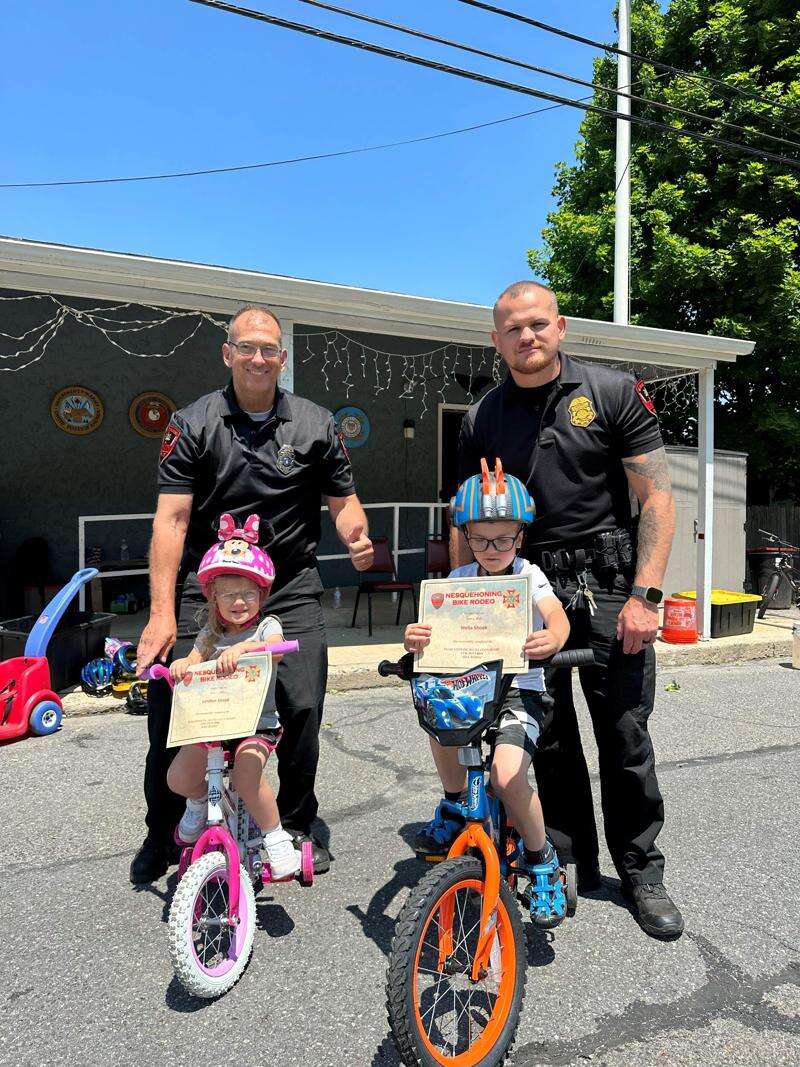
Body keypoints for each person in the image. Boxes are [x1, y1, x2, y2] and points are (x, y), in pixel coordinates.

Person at [451, 279, 683, 941]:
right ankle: (565, 852)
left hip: (609, 582)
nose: (526, 337)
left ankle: (641, 869)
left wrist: (646, 595)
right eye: (512, 328)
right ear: (496, 339)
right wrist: (462, 604)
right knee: (542, 734)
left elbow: (658, 498)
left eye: (537, 324)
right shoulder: (481, 418)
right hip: (524, 583)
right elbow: (463, 521)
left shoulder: (612, 392)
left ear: (560, 327)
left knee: (625, 733)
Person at [132, 304, 373, 884]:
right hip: (208, 586)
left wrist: (356, 535)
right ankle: (163, 830)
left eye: (269, 348)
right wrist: (162, 613)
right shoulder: (192, 424)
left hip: (287, 586)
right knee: (177, 710)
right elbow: (171, 519)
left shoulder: (316, 424)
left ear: (282, 359)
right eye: (247, 347)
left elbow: (344, 502)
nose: (259, 357)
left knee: (303, 705)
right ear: (228, 353)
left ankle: (291, 824)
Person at [405, 460, 571, 927]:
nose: (491, 548)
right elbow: (431, 633)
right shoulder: (457, 582)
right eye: (480, 538)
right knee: (437, 721)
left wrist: (554, 637)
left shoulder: (529, 576)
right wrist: (416, 637)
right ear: (466, 536)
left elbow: (556, 616)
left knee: (505, 776)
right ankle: (455, 800)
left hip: (519, 693)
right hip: (469, 688)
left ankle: (542, 859)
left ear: (519, 536)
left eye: (502, 539)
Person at [167, 513, 300, 879]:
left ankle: (275, 839)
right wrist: (183, 666)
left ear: (261, 594)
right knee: (178, 778)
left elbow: (276, 648)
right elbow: (194, 659)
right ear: (213, 596)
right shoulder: (210, 634)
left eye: (247, 593)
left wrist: (245, 650)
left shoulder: (266, 627)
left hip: (257, 724)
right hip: (214, 722)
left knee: (246, 777)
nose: (239, 602)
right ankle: (198, 803)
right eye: (229, 594)